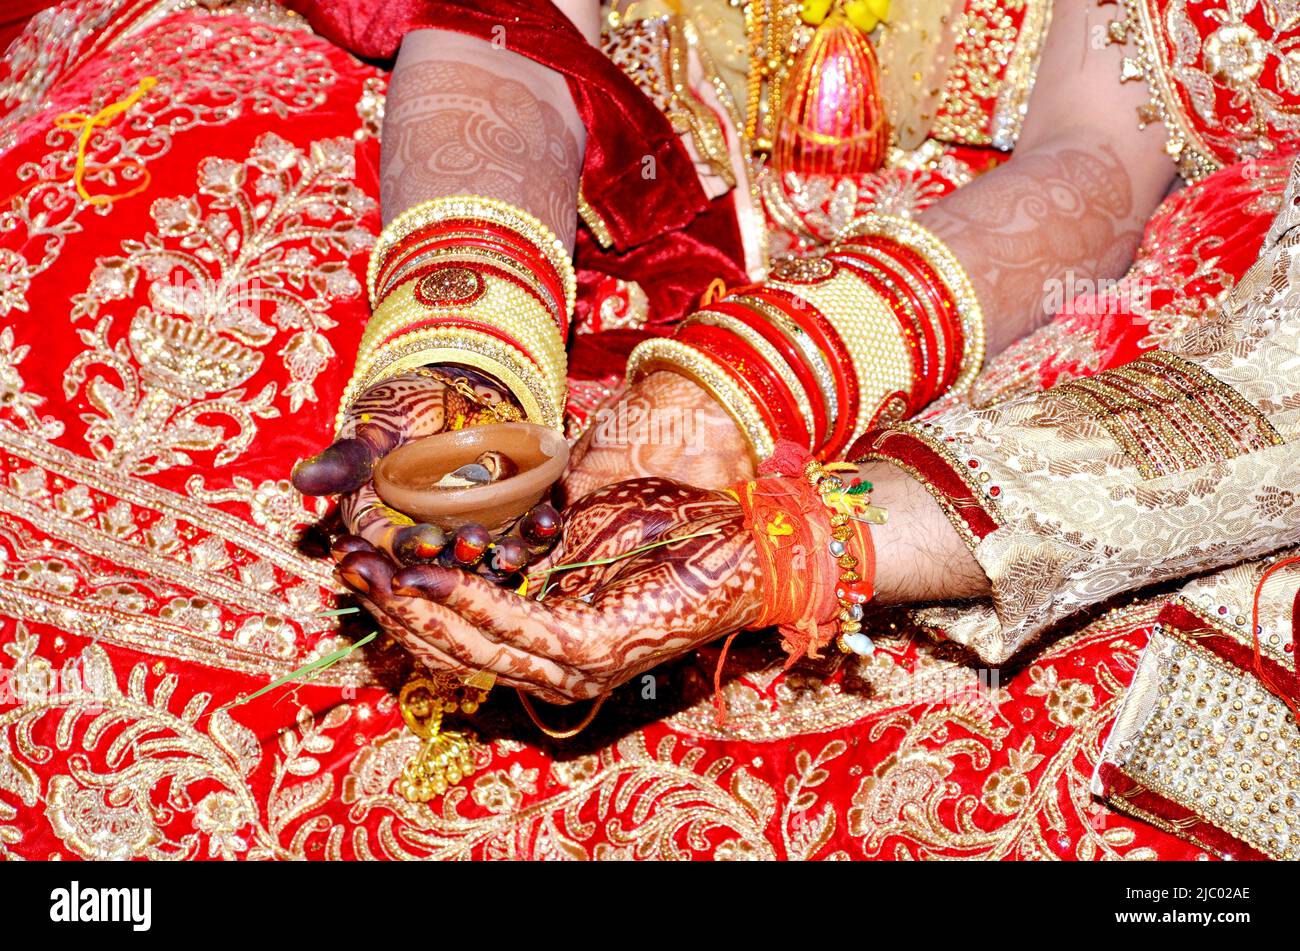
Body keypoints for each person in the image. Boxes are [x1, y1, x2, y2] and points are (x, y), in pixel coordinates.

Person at [0, 0, 1293, 860]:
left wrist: (748, 401)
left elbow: (1097, 168)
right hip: (621, 215)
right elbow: (508, 38)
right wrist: (459, 365)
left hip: (997, 296)